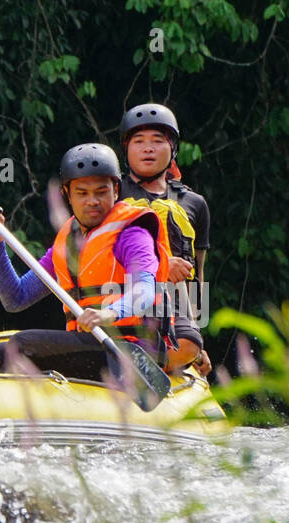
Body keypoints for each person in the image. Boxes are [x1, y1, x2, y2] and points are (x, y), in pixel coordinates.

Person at [0, 143, 171, 382]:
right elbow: (16, 298)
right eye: (82, 193)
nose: (92, 201)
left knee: (20, 345)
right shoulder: (67, 243)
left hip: (130, 350)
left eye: (101, 192)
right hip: (94, 347)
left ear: (116, 191)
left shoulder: (132, 235)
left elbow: (144, 291)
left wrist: (109, 313)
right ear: (67, 195)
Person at [118, 103, 212, 375]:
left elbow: (197, 277)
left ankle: (165, 361)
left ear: (173, 149)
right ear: (126, 150)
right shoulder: (111, 192)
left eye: (157, 141)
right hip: (119, 300)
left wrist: (198, 339)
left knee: (189, 341)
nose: (148, 148)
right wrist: (160, 266)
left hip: (172, 317)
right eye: (139, 141)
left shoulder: (194, 204)